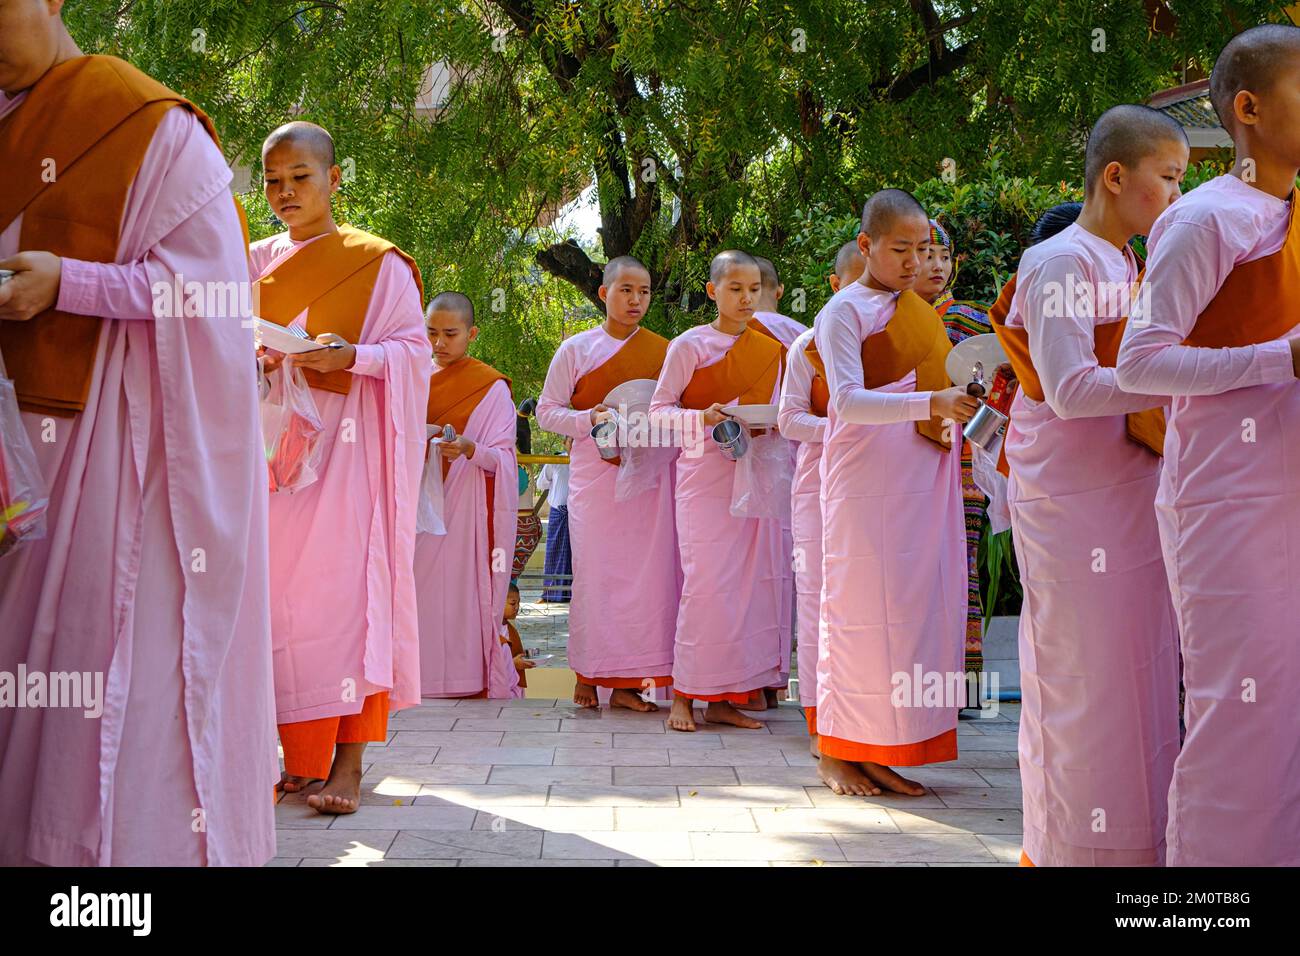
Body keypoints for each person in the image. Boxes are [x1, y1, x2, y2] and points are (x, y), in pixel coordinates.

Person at [0, 3, 276, 865]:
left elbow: (211, 303)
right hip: (11, 460)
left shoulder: (150, 127)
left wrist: (69, 284)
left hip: (114, 464)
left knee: (98, 686)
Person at [1116, 23, 1300, 866]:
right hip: (1230, 499)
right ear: (1251, 108)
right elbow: (1142, 361)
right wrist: (1280, 358)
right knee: (1243, 716)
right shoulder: (1206, 217)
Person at [989, 105, 1188, 866]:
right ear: (1116, 175)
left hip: (1124, 480)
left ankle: (1139, 844)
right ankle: (1077, 847)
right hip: (1074, 491)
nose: (1176, 196)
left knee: (1136, 663)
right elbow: (1070, 389)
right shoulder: (1061, 262)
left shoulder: (1124, 261)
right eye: (1167, 178)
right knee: (1083, 673)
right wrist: (1185, 383)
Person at [251, 121, 430, 814]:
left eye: (300, 177)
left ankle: (348, 766)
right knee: (276, 610)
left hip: (348, 459)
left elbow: (414, 355)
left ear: (333, 179)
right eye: (273, 180)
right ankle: (297, 761)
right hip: (271, 453)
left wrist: (350, 355)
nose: (286, 192)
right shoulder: (251, 259)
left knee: (348, 603)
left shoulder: (377, 262)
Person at [812, 189, 977, 796]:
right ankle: (835, 748)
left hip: (920, 473)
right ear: (866, 246)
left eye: (924, 249)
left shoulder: (922, 312)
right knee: (856, 611)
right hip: (864, 477)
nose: (914, 262)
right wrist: (928, 402)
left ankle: (880, 745)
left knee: (907, 612)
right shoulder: (844, 312)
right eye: (901, 249)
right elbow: (847, 403)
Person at [650, 250, 785, 732]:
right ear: (713, 292)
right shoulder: (690, 345)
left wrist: (771, 427)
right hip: (703, 479)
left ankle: (727, 696)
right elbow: (657, 412)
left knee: (744, 590)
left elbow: (781, 409)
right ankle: (685, 695)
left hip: (752, 473)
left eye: (753, 289)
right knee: (706, 587)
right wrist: (699, 418)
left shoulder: (771, 346)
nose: (746, 298)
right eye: (735, 289)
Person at [536, 256, 678, 711]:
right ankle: (590, 673)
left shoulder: (666, 351)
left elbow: (677, 408)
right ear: (604, 293)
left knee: (651, 578)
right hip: (595, 479)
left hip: (651, 475)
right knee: (598, 576)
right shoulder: (576, 350)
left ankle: (630, 681)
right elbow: (546, 412)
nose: (636, 300)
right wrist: (589, 418)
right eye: (626, 291)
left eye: (645, 292)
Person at [415, 291, 519, 699]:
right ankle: (414, 676)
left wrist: (471, 449)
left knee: (459, 591)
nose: (439, 344)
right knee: (415, 588)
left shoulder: (490, 387)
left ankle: (463, 677)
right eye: (432, 333)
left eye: (450, 334)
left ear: (471, 333)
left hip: (465, 508)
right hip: (416, 505)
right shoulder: (412, 375)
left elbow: (505, 459)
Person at [915, 219, 993, 689]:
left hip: (964, 457)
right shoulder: (885, 318)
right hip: (906, 453)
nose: (937, 265)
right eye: (927, 255)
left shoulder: (971, 318)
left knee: (961, 564)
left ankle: (960, 681)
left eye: (945, 257)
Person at [777, 322, 827, 757]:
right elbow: (790, 418)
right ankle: (822, 721)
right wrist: (860, 425)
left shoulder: (923, 333)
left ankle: (887, 736)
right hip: (824, 480)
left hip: (905, 484)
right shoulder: (808, 346)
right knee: (818, 601)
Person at [537, 445, 572, 603]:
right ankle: (550, 593)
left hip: (579, 513)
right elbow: (541, 484)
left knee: (576, 555)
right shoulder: (556, 460)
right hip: (559, 512)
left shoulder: (587, 459)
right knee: (553, 553)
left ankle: (572, 593)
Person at [502, 582, 531, 693]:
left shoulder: (510, 629)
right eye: (512, 603)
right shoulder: (489, 630)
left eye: (519, 603)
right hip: (499, 689)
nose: (517, 608)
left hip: (514, 687)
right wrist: (512, 663)